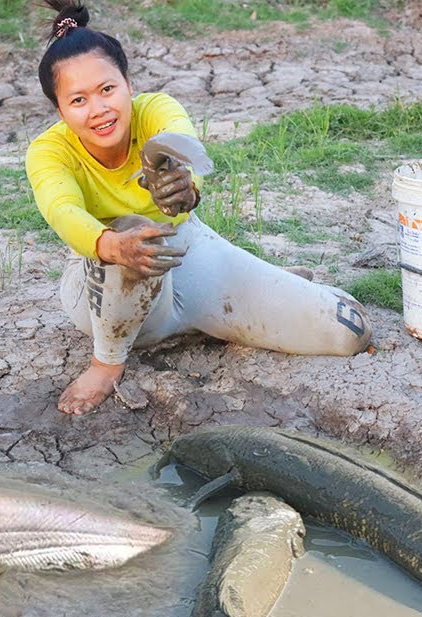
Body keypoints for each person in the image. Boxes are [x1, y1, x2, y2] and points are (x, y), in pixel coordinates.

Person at [26, 0, 373, 415]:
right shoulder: (49, 151)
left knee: (350, 332)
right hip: (104, 289)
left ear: (128, 84)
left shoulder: (156, 110)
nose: (99, 109)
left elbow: (183, 148)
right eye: (78, 100)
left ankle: (237, 299)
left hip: (188, 254)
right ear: (60, 109)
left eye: (107, 89)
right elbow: (62, 211)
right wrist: (115, 247)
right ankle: (107, 364)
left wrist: (185, 188)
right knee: (132, 228)